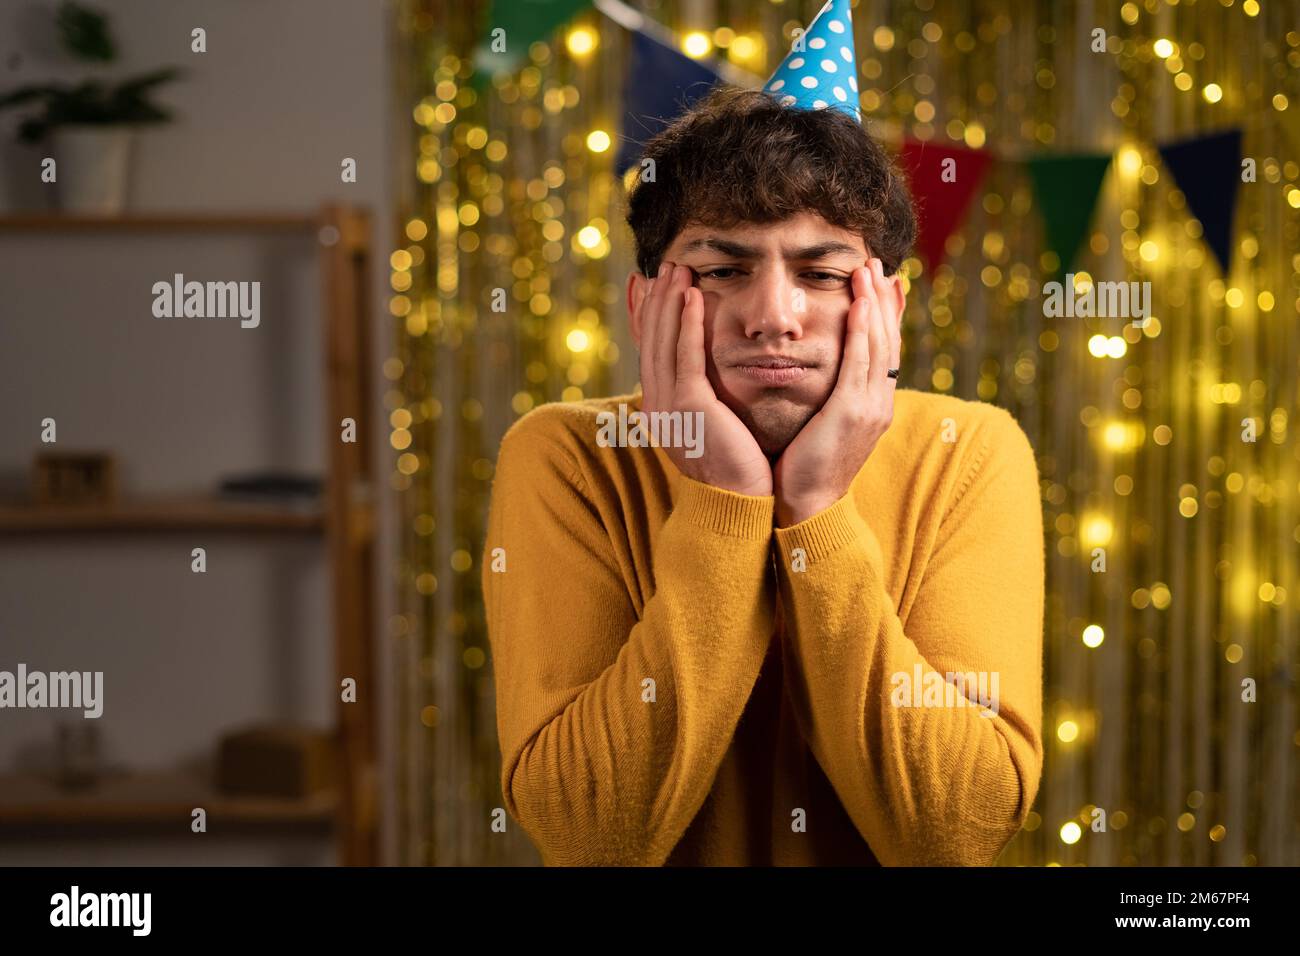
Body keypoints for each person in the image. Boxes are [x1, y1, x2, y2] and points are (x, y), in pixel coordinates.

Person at [481, 84, 1044, 866]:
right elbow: (588, 836)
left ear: (888, 309)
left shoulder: (968, 451)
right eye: (721, 270)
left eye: (820, 274)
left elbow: (950, 835)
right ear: (646, 306)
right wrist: (725, 503)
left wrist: (815, 508)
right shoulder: (567, 456)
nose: (772, 315)